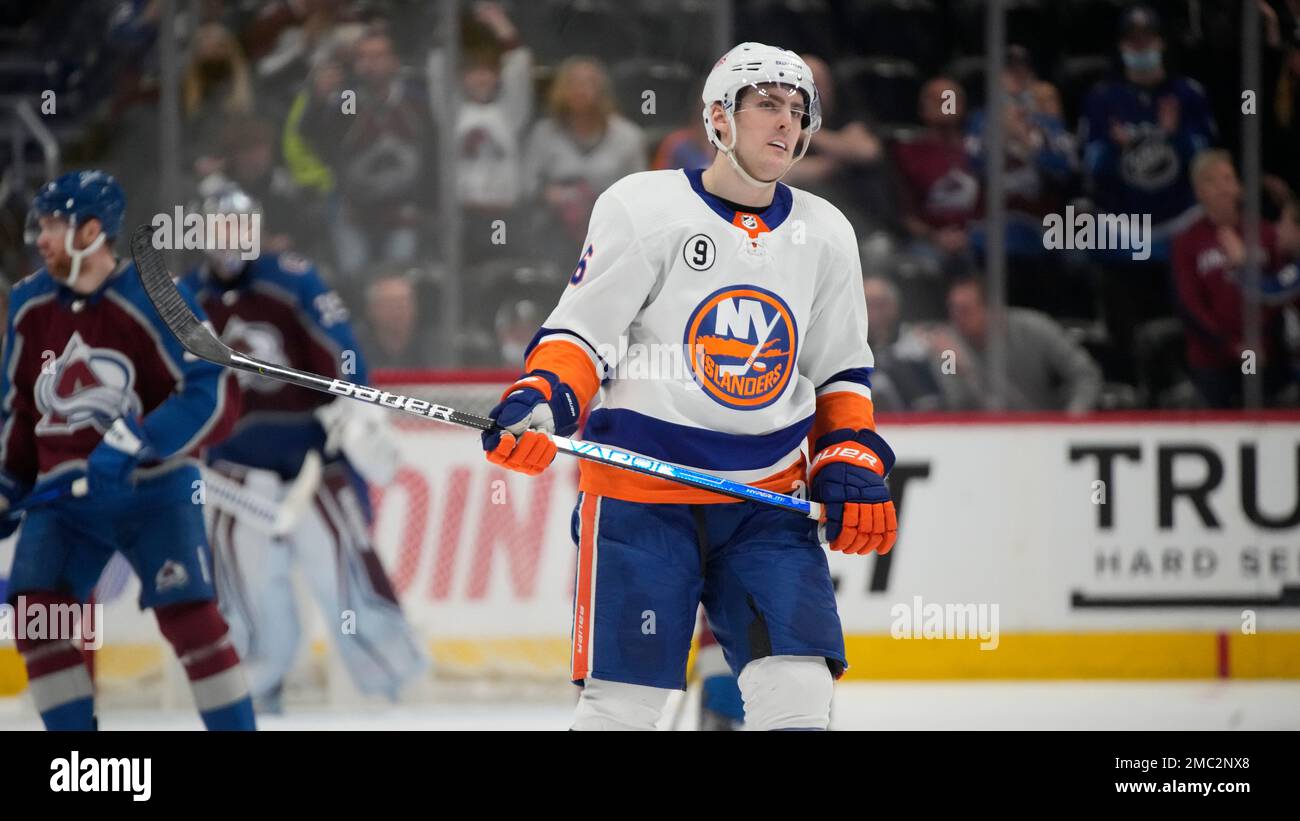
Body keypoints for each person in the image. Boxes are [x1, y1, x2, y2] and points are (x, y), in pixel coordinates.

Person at [484, 43, 898, 731]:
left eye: (798, 111)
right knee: (622, 706)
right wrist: (541, 402)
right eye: (767, 103)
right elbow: (582, 335)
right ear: (718, 117)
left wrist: (850, 450)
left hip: (766, 502)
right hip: (641, 499)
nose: (787, 122)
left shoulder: (826, 232)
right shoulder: (644, 207)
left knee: (799, 693)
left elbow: (840, 372)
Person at [1, 171, 254, 730]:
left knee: (190, 620)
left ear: (91, 232)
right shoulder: (28, 304)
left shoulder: (156, 295)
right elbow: (17, 408)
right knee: (39, 621)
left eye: (54, 225)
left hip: (154, 491)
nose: (41, 238)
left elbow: (213, 390)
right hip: (64, 502)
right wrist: (7, 482)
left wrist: (133, 441)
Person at [183, 184, 425, 712]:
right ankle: (255, 696)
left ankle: (396, 691)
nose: (229, 239)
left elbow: (341, 348)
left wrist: (355, 406)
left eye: (238, 227)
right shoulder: (185, 299)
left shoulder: (291, 279)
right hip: (233, 476)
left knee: (349, 581)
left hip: (313, 468)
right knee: (248, 595)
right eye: (219, 228)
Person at [1172, 151, 1290, 407]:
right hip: (1211, 357)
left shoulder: (1265, 233)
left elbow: (1281, 289)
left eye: (1227, 179)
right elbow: (1189, 303)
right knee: (1216, 413)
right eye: (1211, 181)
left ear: (1239, 186)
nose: (1222, 188)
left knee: (1261, 413)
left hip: (1261, 351)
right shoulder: (1187, 242)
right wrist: (1231, 345)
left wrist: (1257, 340)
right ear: (1198, 192)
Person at [932, 276, 1103, 413]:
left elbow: (1085, 374)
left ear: (991, 309)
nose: (956, 319)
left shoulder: (1035, 328)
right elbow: (957, 405)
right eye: (952, 309)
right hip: (982, 438)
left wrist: (1072, 421)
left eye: (965, 310)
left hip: (1043, 431)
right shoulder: (948, 348)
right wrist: (961, 369)